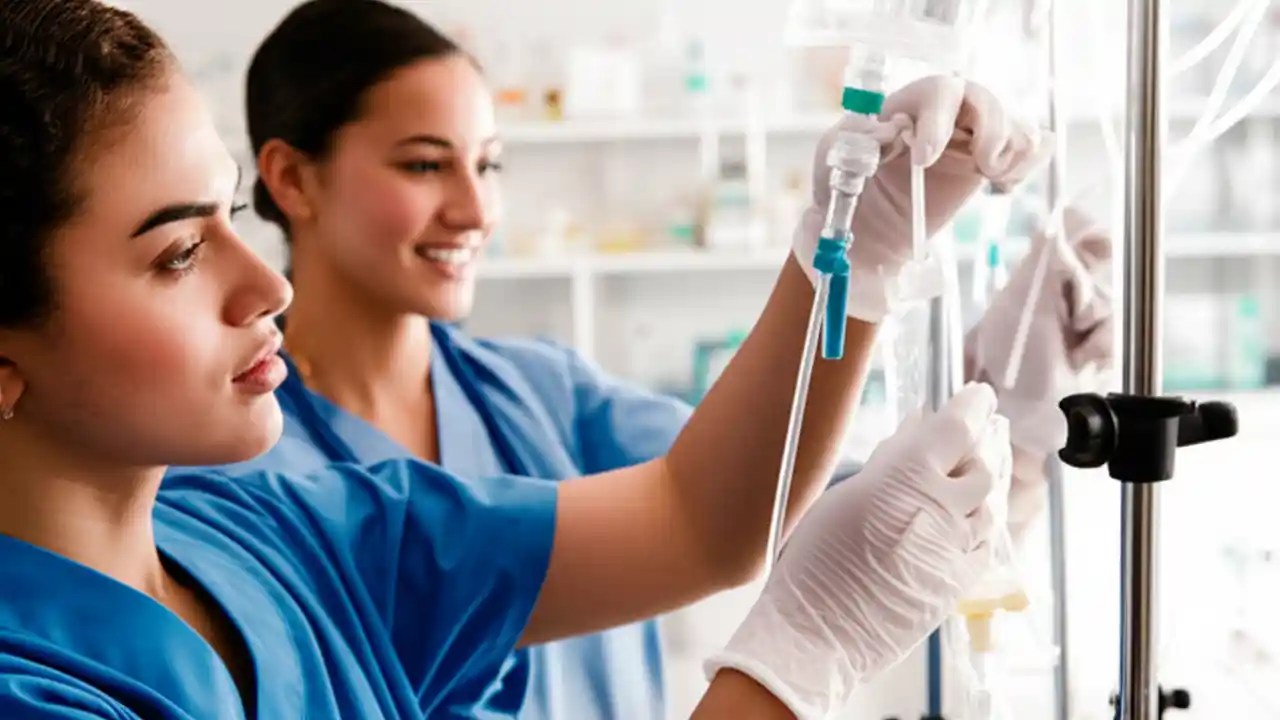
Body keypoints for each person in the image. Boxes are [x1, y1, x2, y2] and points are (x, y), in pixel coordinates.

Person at [1, 1, 1016, 718]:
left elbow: (697, 518)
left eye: (226, 219)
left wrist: (855, 254)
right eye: (178, 254)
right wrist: (794, 667)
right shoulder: (38, 690)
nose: (265, 284)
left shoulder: (272, 533)